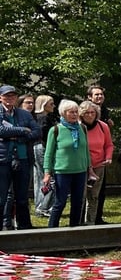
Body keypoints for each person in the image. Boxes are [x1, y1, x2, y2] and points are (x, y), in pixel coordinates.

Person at [41, 99, 89, 228]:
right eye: (71, 112)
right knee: (60, 202)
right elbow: (49, 153)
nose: (74, 114)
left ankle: (74, 229)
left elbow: (85, 151)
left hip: (80, 171)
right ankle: (52, 229)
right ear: (63, 113)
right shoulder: (55, 130)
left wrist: (90, 169)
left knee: (78, 202)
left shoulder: (82, 128)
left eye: (76, 112)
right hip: (62, 171)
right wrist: (47, 173)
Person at [0, 84, 40, 229]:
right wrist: (23, 130)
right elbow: (1, 130)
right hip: (3, 160)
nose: (9, 98)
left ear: (16, 98)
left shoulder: (25, 114)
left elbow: (37, 132)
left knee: (22, 197)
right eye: (6, 96)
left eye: (12, 96)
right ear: (0, 98)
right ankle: (4, 227)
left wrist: (17, 138)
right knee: (2, 197)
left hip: (23, 159)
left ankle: (25, 227)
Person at [79, 100, 113, 225]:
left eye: (92, 112)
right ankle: (78, 222)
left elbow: (109, 144)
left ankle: (91, 222)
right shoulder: (77, 126)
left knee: (93, 196)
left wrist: (109, 157)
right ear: (81, 114)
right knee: (80, 196)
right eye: (86, 112)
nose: (90, 115)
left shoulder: (103, 126)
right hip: (81, 166)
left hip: (99, 165)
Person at [86, 86, 112, 224]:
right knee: (84, 194)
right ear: (89, 97)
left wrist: (108, 157)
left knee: (98, 193)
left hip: (100, 162)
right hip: (84, 164)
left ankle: (95, 219)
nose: (100, 97)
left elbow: (108, 143)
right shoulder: (80, 125)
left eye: (101, 94)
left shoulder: (105, 113)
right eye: (96, 95)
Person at [32, 95, 57, 218]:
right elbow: (44, 135)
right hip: (43, 148)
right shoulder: (44, 119)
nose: (54, 106)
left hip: (36, 147)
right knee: (50, 178)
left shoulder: (35, 118)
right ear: (44, 105)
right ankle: (44, 207)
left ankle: (39, 206)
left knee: (39, 179)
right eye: (51, 104)